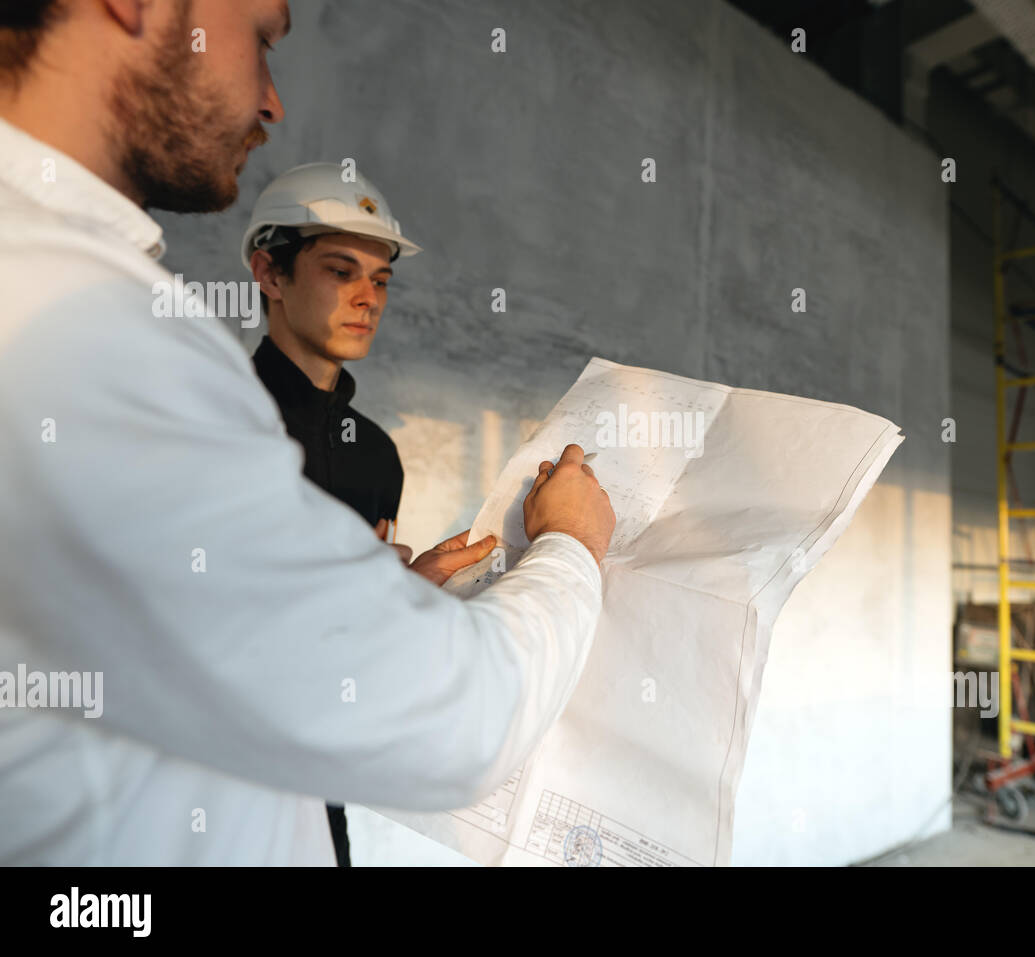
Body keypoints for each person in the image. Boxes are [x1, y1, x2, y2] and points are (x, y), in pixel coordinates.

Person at [0, 0, 615, 865]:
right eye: (261, 35)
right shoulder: (86, 330)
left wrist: (382, 603)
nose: (273, 101)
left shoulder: (70, 300)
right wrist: (573, 549)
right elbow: (452, 719)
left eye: (381, 278)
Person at [245, 162, 499, 865]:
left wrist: (403, 596)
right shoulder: (213, 423)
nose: (368, 297)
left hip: (321, 808)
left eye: (381, 279)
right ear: (271, 273)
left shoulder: (376, 457)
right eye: (340, 270)